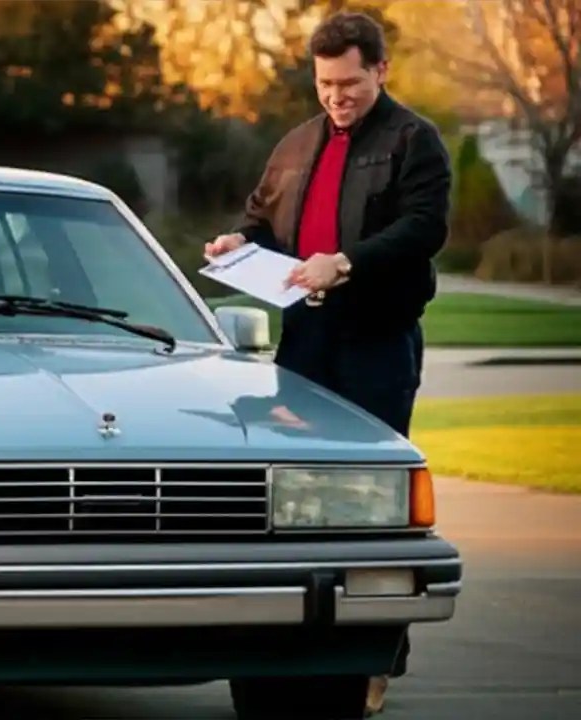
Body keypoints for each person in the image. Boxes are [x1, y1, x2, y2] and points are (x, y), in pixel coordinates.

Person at [204, 11, 452, 716]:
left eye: (349, 83)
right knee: (292, 498)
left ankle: (375, 661)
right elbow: (262, 220)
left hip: (376, 341)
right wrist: (235, 242)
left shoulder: (414, 140)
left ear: (380, 69)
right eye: (324, 85)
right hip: (303, 346)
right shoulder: (295, 144)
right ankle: (294, 653)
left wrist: (344, 263)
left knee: (374, 511)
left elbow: (424, 228)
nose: (337, 97)